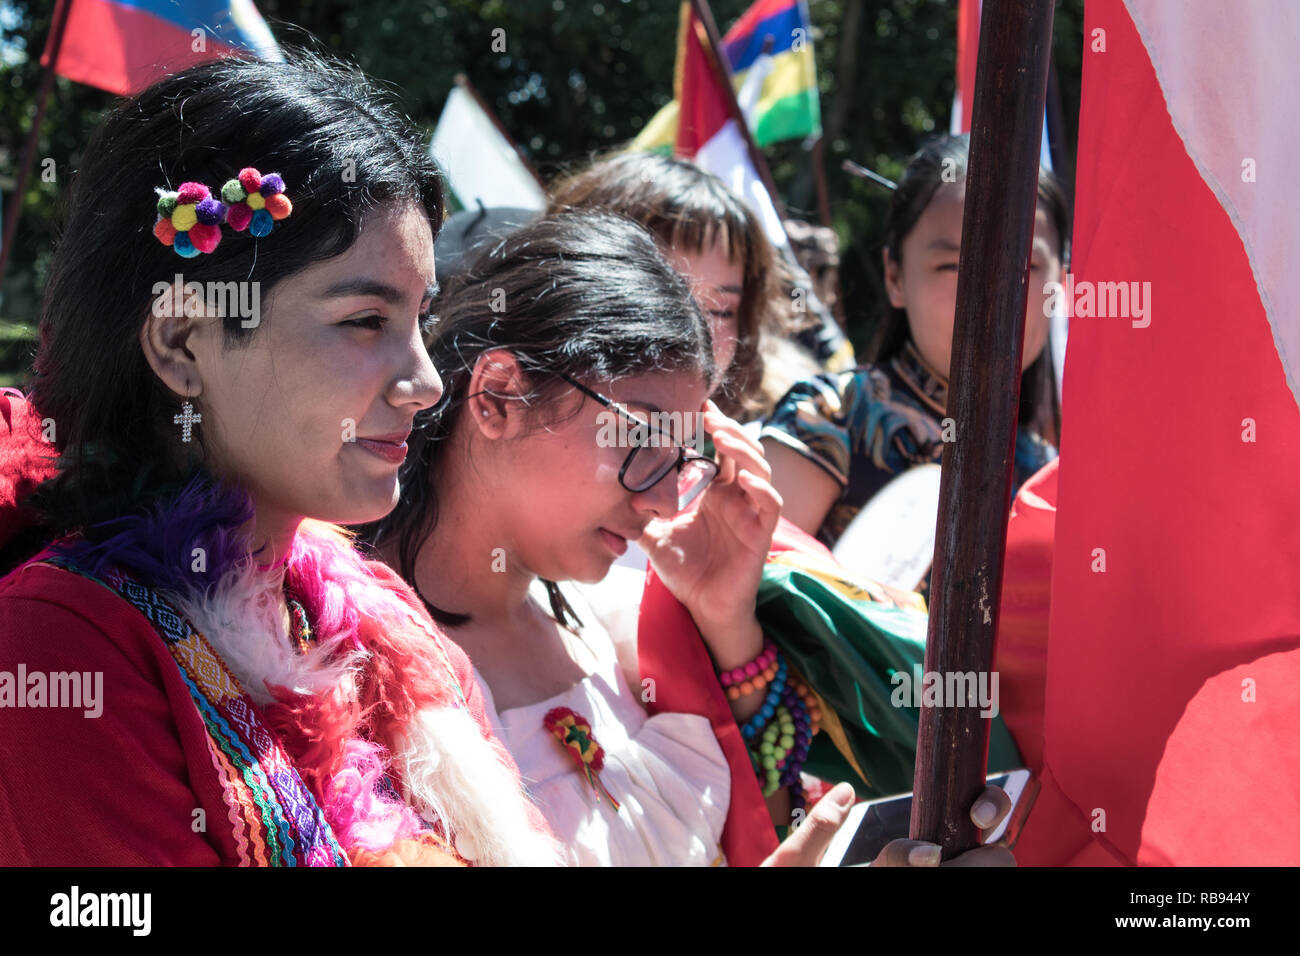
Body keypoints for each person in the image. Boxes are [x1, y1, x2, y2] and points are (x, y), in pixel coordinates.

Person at [0, 50, 560, 866]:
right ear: (183, 342)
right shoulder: (53, 648)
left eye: (418, 320)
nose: (426, 383)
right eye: (364, 320)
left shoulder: (377, 617)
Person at [364, 210, 1014, 866]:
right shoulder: (333, 659)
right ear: (499, 396)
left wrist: (724, 616)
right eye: (641, 440)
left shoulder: (618, 628)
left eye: (682, 457)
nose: (663, 502)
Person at [762, 134, 1066, 567]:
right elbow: (744, 602)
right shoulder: (827, 420)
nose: (992, 297)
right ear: (895, 277)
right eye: (953, 266)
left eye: (1026, 266)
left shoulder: (1046, 472)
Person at [549, 152, 848, 422]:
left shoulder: (774, 443)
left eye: (721, 311)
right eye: (663, 296)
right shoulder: (510, 428)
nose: (697, 336)